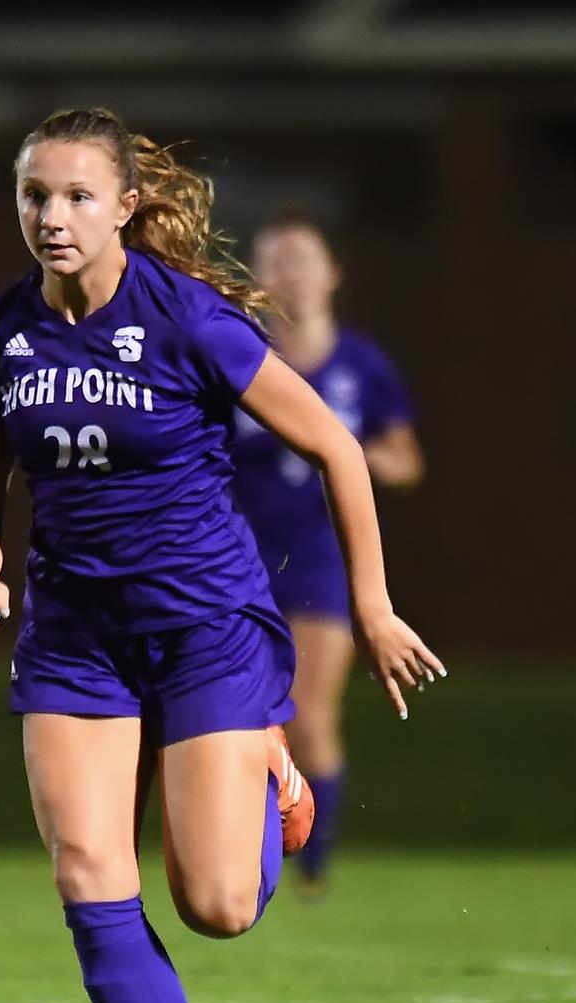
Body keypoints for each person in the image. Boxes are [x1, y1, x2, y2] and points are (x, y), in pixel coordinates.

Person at [0, 108, 442, 1003]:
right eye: (35, 195)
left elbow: (337, 452)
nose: (52, 216)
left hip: (205, 626)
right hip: (74, 636)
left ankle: (273, 775)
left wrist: (371, 606)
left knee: (215, 905)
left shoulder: (190, 319)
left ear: (125, 206)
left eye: (78, 195)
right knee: (85, 868)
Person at [231, 213, 423, 892]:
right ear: (257, 278)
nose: (292, 274)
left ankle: (312, 865)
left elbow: (407, 461)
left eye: (304, 259)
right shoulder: (239, 353)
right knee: (233, 717)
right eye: (276, 261)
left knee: (309, 718)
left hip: (318, 560)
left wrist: (341, 449)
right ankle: (237, 846)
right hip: (239, 562)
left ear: (332, 273)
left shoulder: (360, 365)